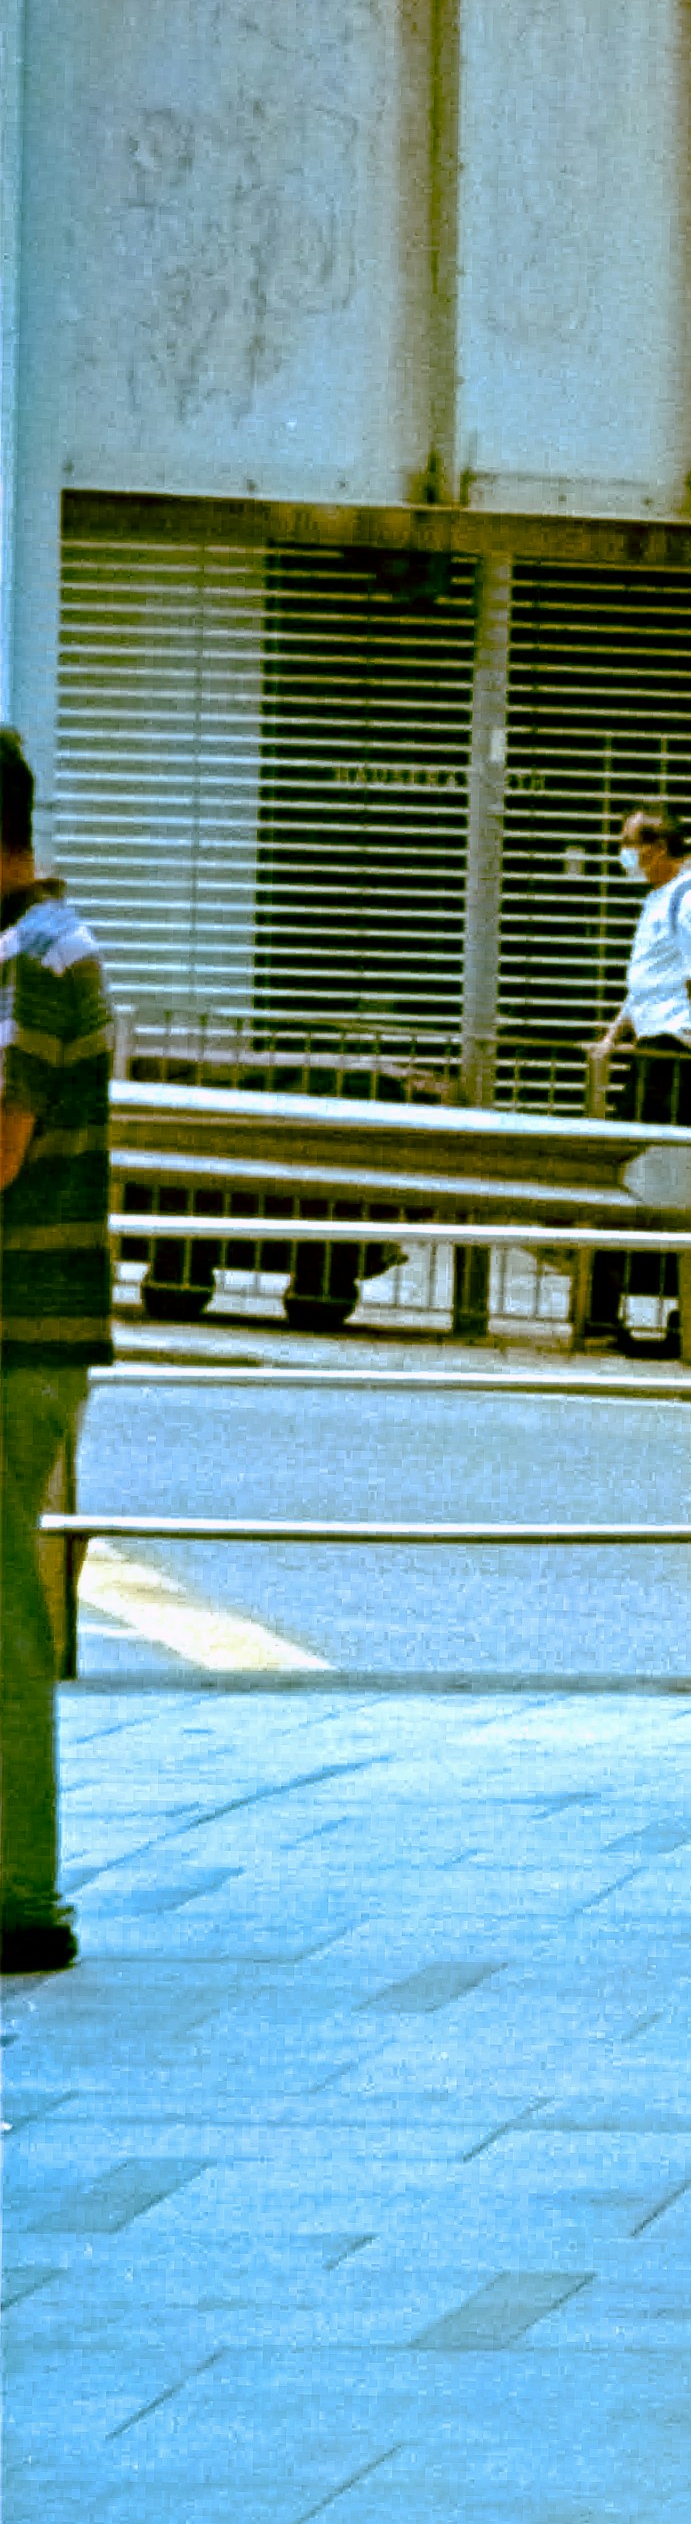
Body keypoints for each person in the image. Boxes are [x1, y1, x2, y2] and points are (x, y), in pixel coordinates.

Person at [0, 734, 115, 1984]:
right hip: (26, 1326)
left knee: (2, 1621)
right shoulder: (41, 945)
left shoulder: (30, 959)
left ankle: (18, 1895)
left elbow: (2, 1143)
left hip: (14, 1327)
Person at [587, 802, 691, 1354]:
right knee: (648, 1182)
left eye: (628, 843)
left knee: (683, 1187)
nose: (623, 854)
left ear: (656, 849)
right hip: (656, 1054)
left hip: (677, 1060)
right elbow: (647, 982)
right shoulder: (660, 899)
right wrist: (612, 1038)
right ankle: (613, 1311)